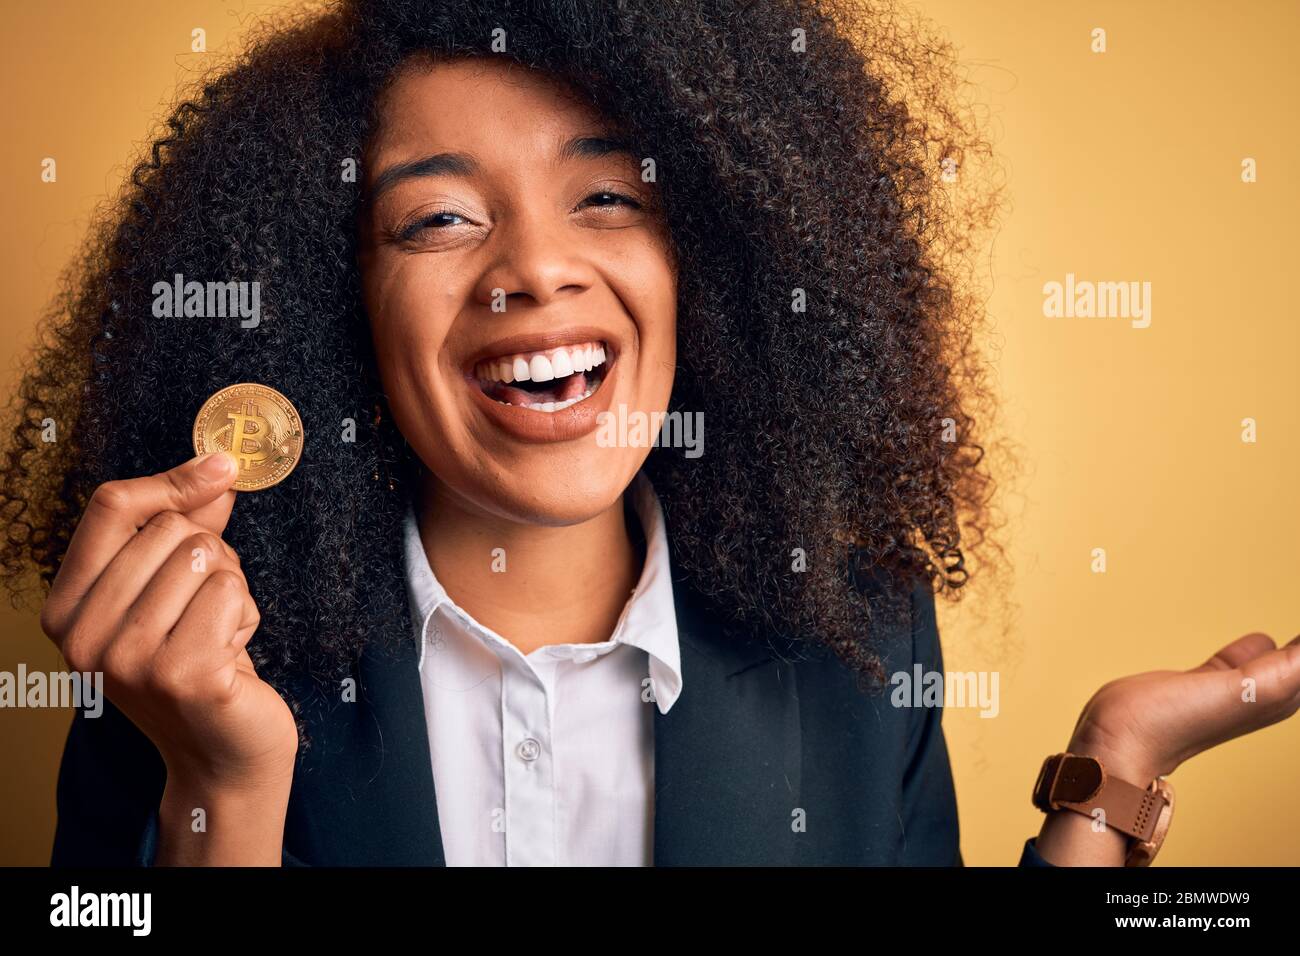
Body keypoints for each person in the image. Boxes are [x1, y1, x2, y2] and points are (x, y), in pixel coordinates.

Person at [4, 0, 1297, 867]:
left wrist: (1111, 774)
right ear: (333, 303)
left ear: (711, 261)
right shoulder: (178, 675)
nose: (534, 269)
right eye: (440, 220)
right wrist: (221, 789)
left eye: (607, 198)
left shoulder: (858, 643)